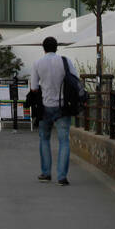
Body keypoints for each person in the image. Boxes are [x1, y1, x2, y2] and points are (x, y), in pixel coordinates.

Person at [30, 36, 77, 185]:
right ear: (57, 47)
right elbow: (75, 79)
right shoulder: (65, 61)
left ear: (43, 48)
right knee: (64, 141)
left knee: (44, 139)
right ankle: (62, 177)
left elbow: (34, 88)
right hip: (63, 106)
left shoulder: (37, 63)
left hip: (45, 106)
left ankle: (46, 173)